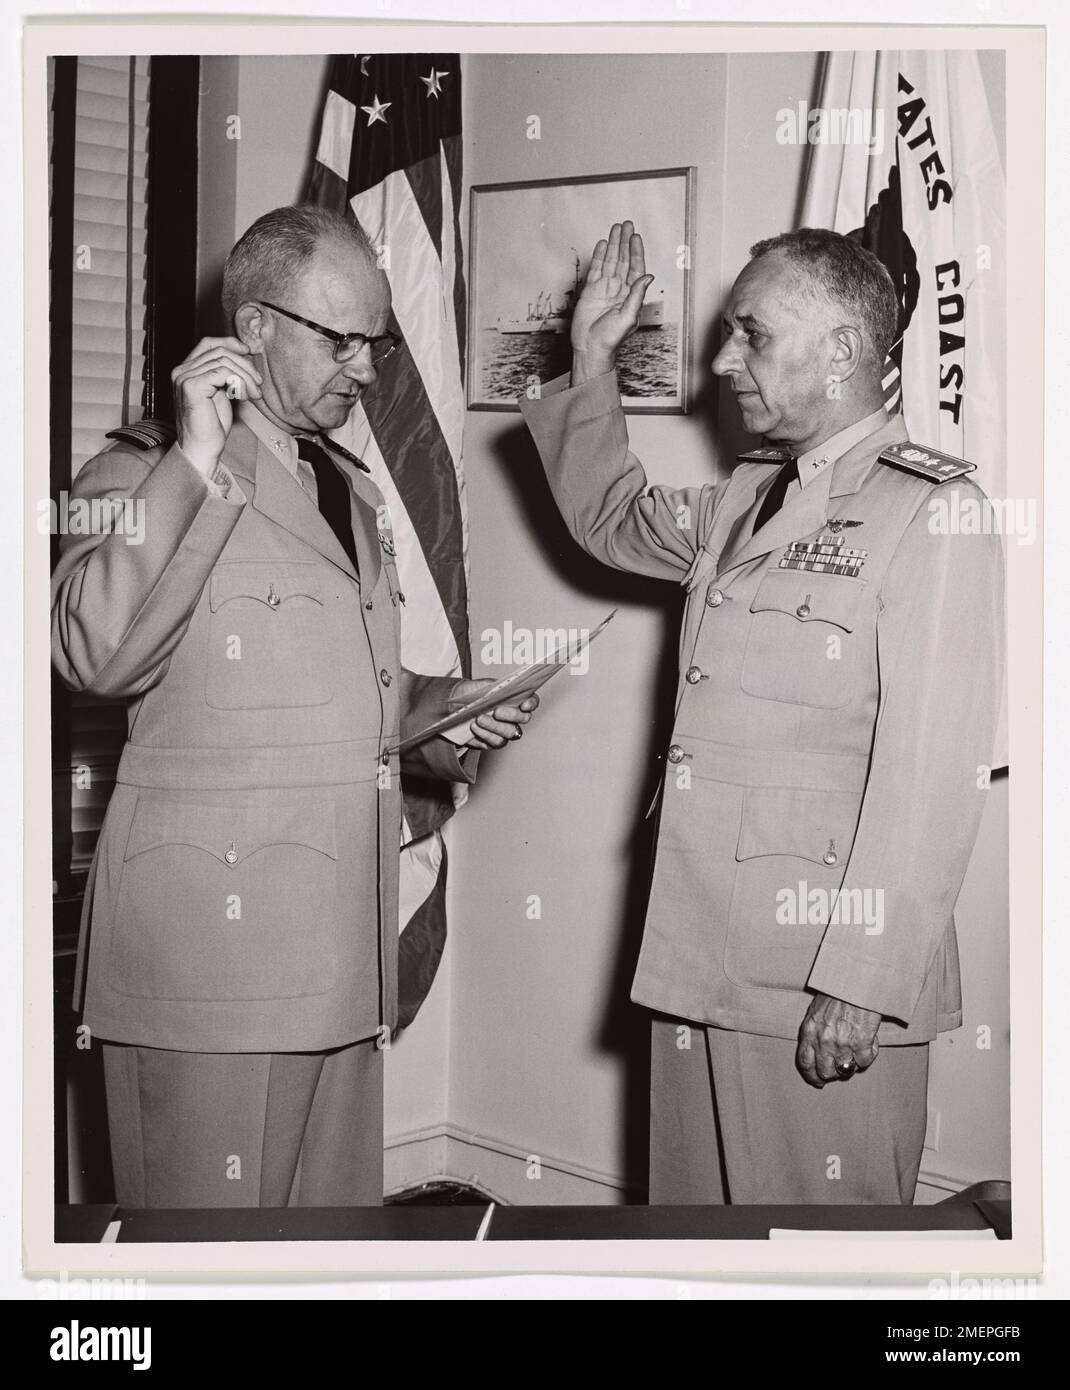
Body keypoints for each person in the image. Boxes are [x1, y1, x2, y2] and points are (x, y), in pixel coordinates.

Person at [52, 204, 537, 1209]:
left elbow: (357, 695)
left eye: (377, 342)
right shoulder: (144, 470)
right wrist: (193, 460)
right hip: (210, 973)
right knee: (204, 1263)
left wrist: (451, 707)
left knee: (324, 1257)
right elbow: (89, 652)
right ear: (255, 325)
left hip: (339, 953)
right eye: (341, 340)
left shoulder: (345, 487)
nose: (364, 370)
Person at [520, 222, 1003, 1204]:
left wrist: (861, 979)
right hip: (693, 950)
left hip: (814, 973)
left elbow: (930, 773)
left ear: (840, 352)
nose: (718, 360)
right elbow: (608, 519)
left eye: (750, 334)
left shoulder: (930, 512)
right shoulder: (746, 496)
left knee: (819, 1254)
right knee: (696, 1248)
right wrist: (587, 359)